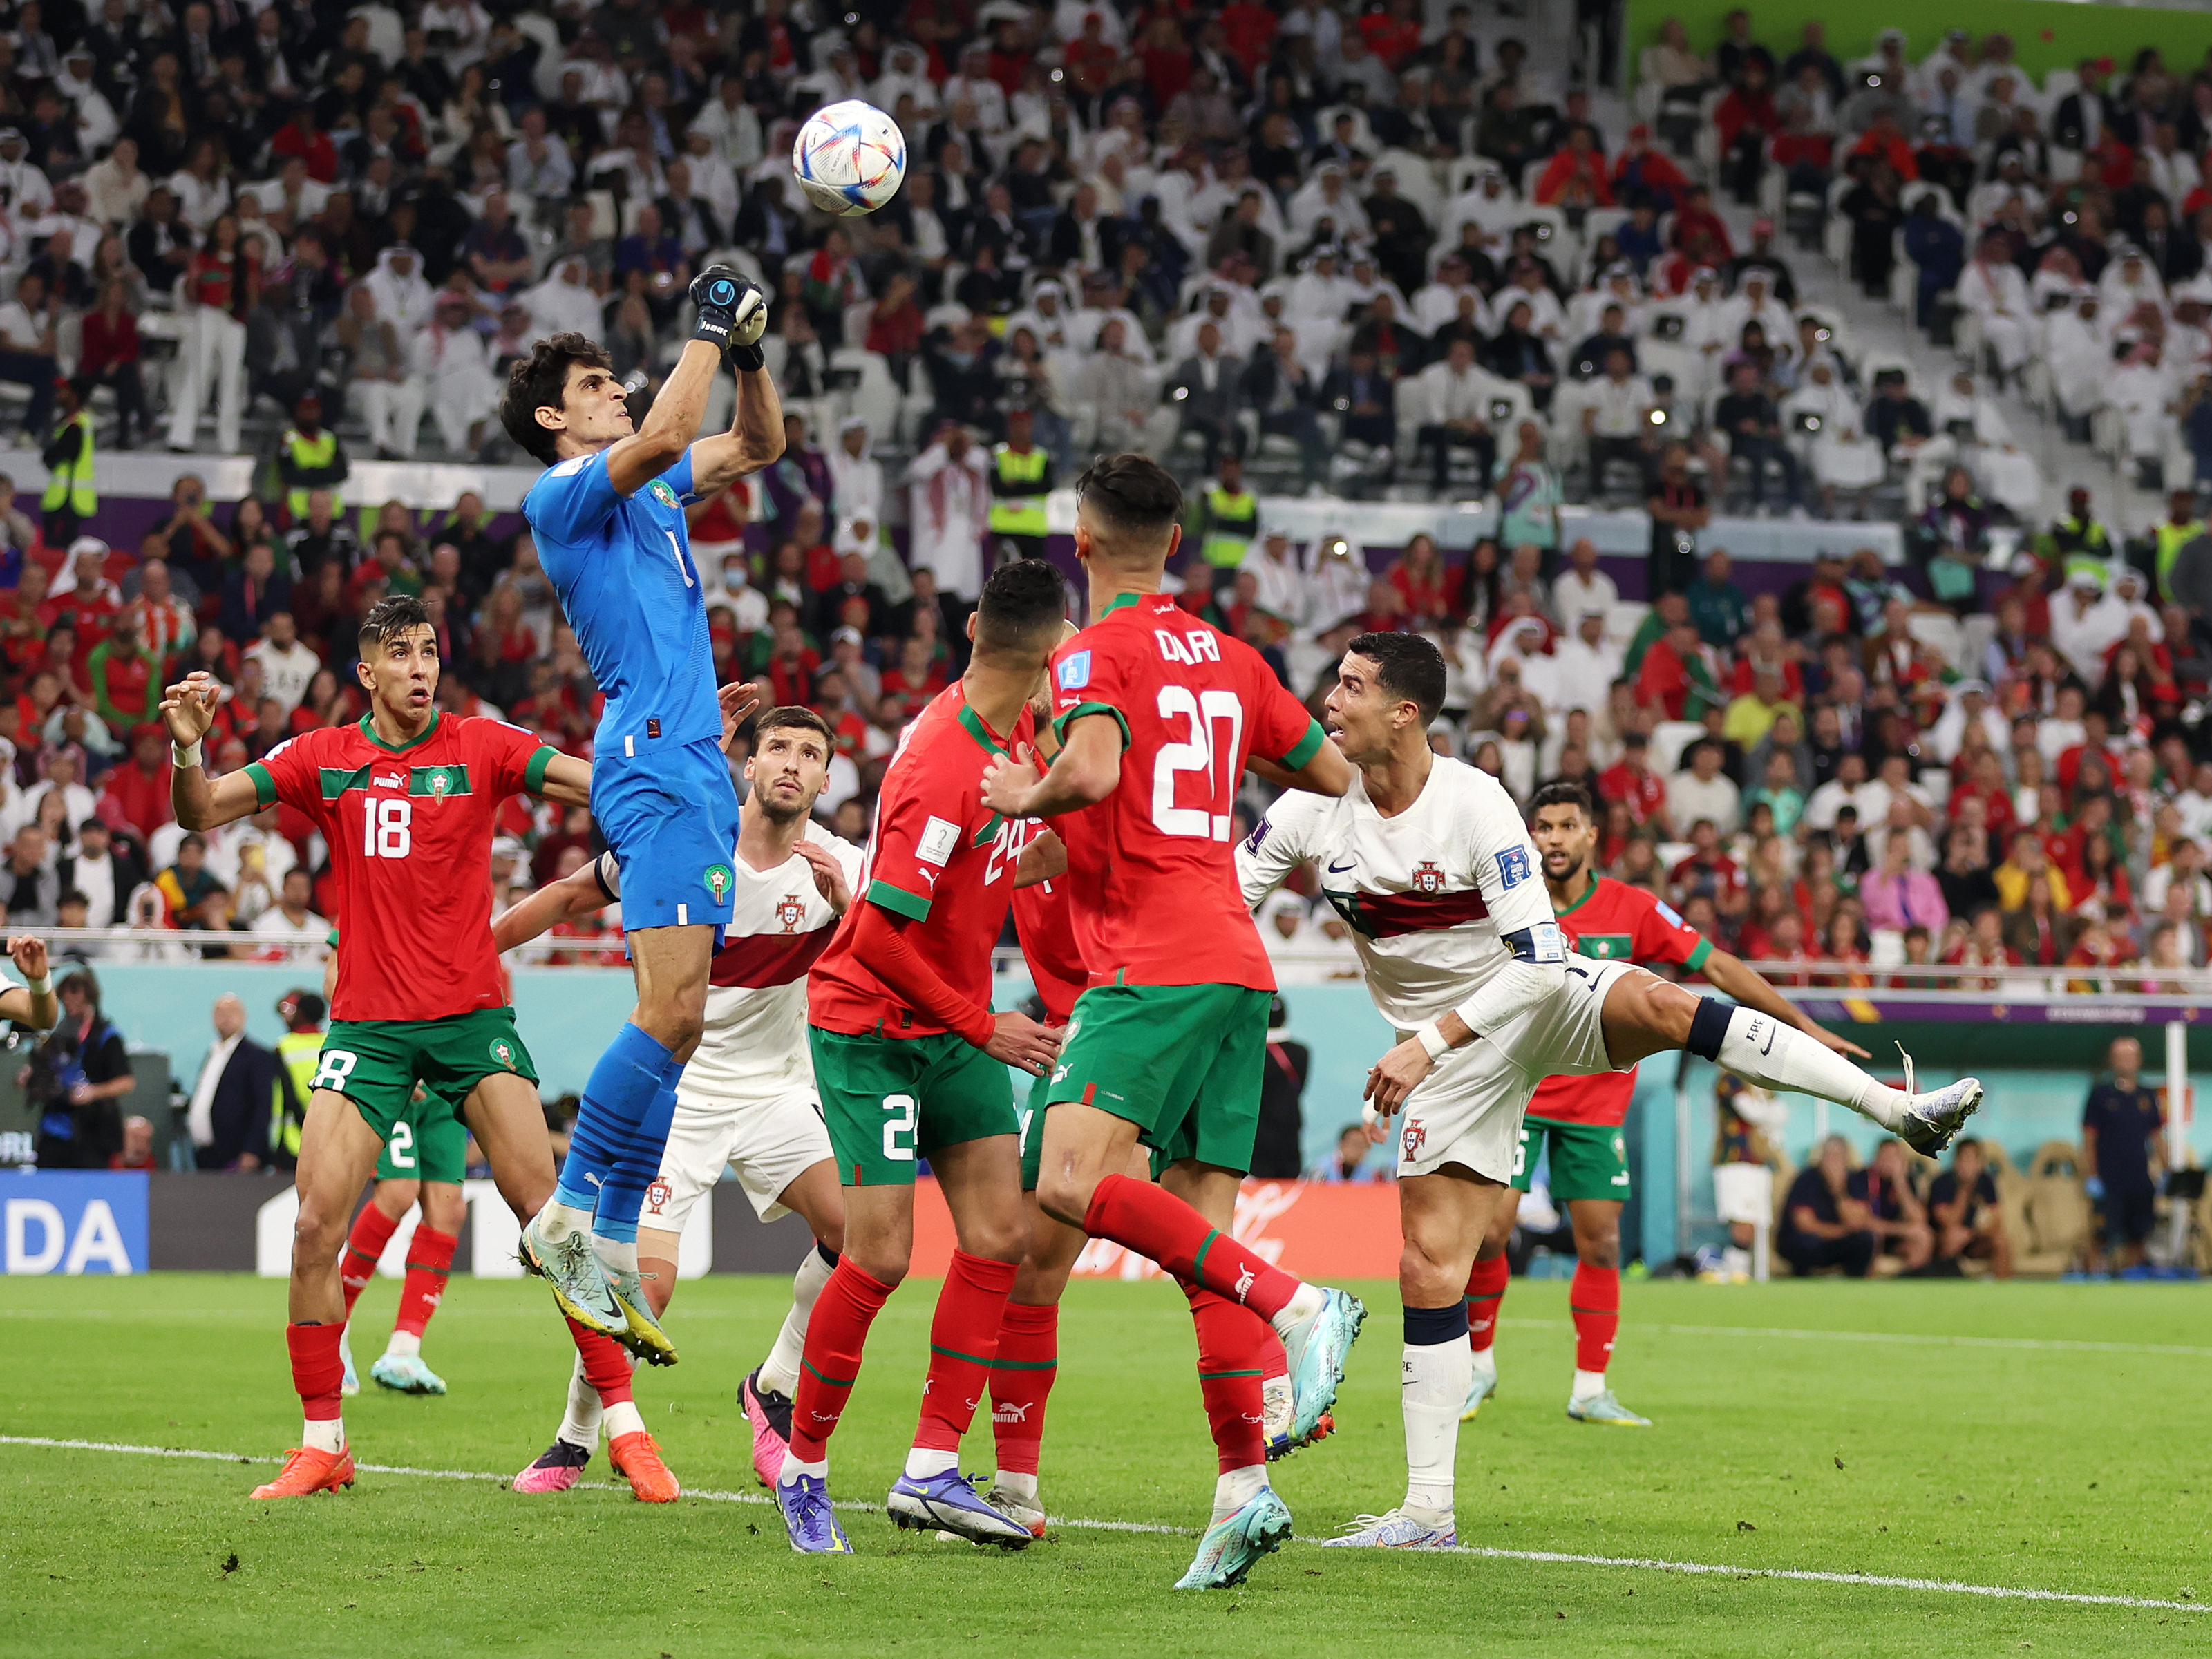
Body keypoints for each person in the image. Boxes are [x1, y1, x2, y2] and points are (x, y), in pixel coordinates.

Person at [1234, 634, 1974, 1551]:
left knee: (1667, 1004)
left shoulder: (1475, 802)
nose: (1328, 701)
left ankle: (1898, 1109)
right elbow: (1222, 901)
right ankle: (1427, 1512)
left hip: (1522, 1003)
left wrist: (1426, 1041)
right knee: (1428, 1266)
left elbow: (1542, 961)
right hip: (1452, 1063)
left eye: (1350, 686)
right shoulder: (1310, 809)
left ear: (1404, 712)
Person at [979, 453, 1365, 1591]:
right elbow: (1331, 770)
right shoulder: (1236, 659)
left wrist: (1025, 795)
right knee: (1206, 1250)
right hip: (1238, 967)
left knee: (1064, 1181)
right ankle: (1243, 1491)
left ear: (1081, 544)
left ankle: (1301, 1302)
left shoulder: (1092, 655)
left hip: (1151, 964)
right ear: (1179, 543)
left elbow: (1094, 767)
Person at [158, 595, 630, 1502]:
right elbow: (203, 809)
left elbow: (594, 780)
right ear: (366, 672)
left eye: (430, 652)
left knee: (552, 1222)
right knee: (312, 1228)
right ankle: (323, 1442)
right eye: (402, 653)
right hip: (369, 1027)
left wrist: (672, 749)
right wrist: (188, 748)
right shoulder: (321, 757)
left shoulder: (483, 744)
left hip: (470, 1017)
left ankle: (624, 1425)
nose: (422, 667)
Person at [498, 267, 781, 1365]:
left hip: (695, 761)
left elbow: (757, 445)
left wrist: (746, 351)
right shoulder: (562, 493)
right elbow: (665, 433)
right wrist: (707, 324)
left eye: (617, 378)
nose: (617, 390)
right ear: (553, 419)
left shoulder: (653, 490)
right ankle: (565, 1217)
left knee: (686, 1020)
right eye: (595, 384)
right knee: (667, 1012)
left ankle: (612, 1246)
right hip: (652, 763)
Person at [773, 560, 1066, 1555]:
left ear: (974, 627)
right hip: (874, 1026)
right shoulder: (945, 759)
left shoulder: (1017, 734)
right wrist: (986, 1027)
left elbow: (984, 862)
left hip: (953, 1022)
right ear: (1050, 650)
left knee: (999, 1236)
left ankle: (932, 1469)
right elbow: (877, 936)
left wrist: (1043, 852)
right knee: (882, 1255)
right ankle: (803, 1469)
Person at [499, 702, 857, 1497]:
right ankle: (574, 1437)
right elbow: (569, 895)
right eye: (778, 748)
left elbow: (901, 944)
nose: (792, 763)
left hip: (775, 1094)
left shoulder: (840, 867)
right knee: (645, 1292)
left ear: (828, 778)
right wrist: (470, 951)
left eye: (809, 753)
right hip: (681, 1093)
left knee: (857, 1235)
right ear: (748, 766)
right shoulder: (686, 839)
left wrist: (850, 914)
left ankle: (772, 1384)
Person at [1460, 779, 1875, 1428]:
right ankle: (1477, 1368)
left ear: (1591, 834)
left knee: (1601, 1243)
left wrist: (1801, 1024)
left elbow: (1717, 966)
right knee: (1489, 1231)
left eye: (1567, 826)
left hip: (1596, 1104)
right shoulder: (1515, 901)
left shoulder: (1631, 907)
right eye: (1543, 827)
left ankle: (1589, 1390)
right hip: (1520, 1090)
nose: (1554, 839)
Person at [179, 989, 287, 1172]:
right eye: (220, 1013)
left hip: (236, 1155)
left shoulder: (256, 1056)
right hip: (207, 1154)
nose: (225, 1018)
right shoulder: (213, 1052)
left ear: (243, 1016)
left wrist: (252, 1150)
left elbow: (263, 1105)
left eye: (231, 1012)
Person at [2081, 1036, 2164, 1275]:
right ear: (2112, 1061)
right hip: (2109, 1178)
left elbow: (2157, 1137)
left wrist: (2166, 1170)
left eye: (2130, 1057)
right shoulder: (2100, 1094)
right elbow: (2089, 1138)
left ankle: (2133, 1278)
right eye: (2120, 1057)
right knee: (2102, 1234)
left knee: (2138, 1234)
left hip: (2139, 1177)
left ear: (2139, 1060)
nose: (2126, 1062)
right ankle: (2093, 1280)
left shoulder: (2148, 1095)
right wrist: (2092, 1175)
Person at [1778, 1135, 1875, 1277]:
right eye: (1829, 1156)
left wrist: (1838, 1190)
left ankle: (1855, 1283)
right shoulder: (1807, 1179)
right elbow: (1804, 1224)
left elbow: (1857, 1222)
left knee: (1865, 1240)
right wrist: (1841, 1232)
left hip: (1838, 1239)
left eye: (1838, 1156)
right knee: (1806, 1242)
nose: (1833, 1161)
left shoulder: (1855, 1180)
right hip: (1811, 1240)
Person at [1929, 1137, 2012, 1278]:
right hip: (1944, 1237)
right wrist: (1965, 1188)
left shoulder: (1986, 1181)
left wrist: (1972, 1234)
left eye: (1974, 1159)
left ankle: (2002, 1287)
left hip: (1973, 1237)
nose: (1970, 1164)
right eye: (1965, 1158)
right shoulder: (1942, 1182)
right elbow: (1948, 1222)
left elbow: (1996, 1219)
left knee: (2001, 1241)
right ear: (1957, 1161)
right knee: (1953, 1238)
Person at [1848, 1138, 1932, 1273]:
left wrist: (1900, 1182)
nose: (1889, 1161)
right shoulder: (1861, 1178)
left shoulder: (1907, 1180)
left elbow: (1918, 1219)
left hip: (1896, 1240)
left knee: (1924, 1236)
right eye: (1885, 1156)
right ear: (1876, 1158)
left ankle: (1908, 1279)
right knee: (1872, 1236)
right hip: (1870, 1236)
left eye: (1894, 1157)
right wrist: (1903, 1230)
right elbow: (1861, 1221)